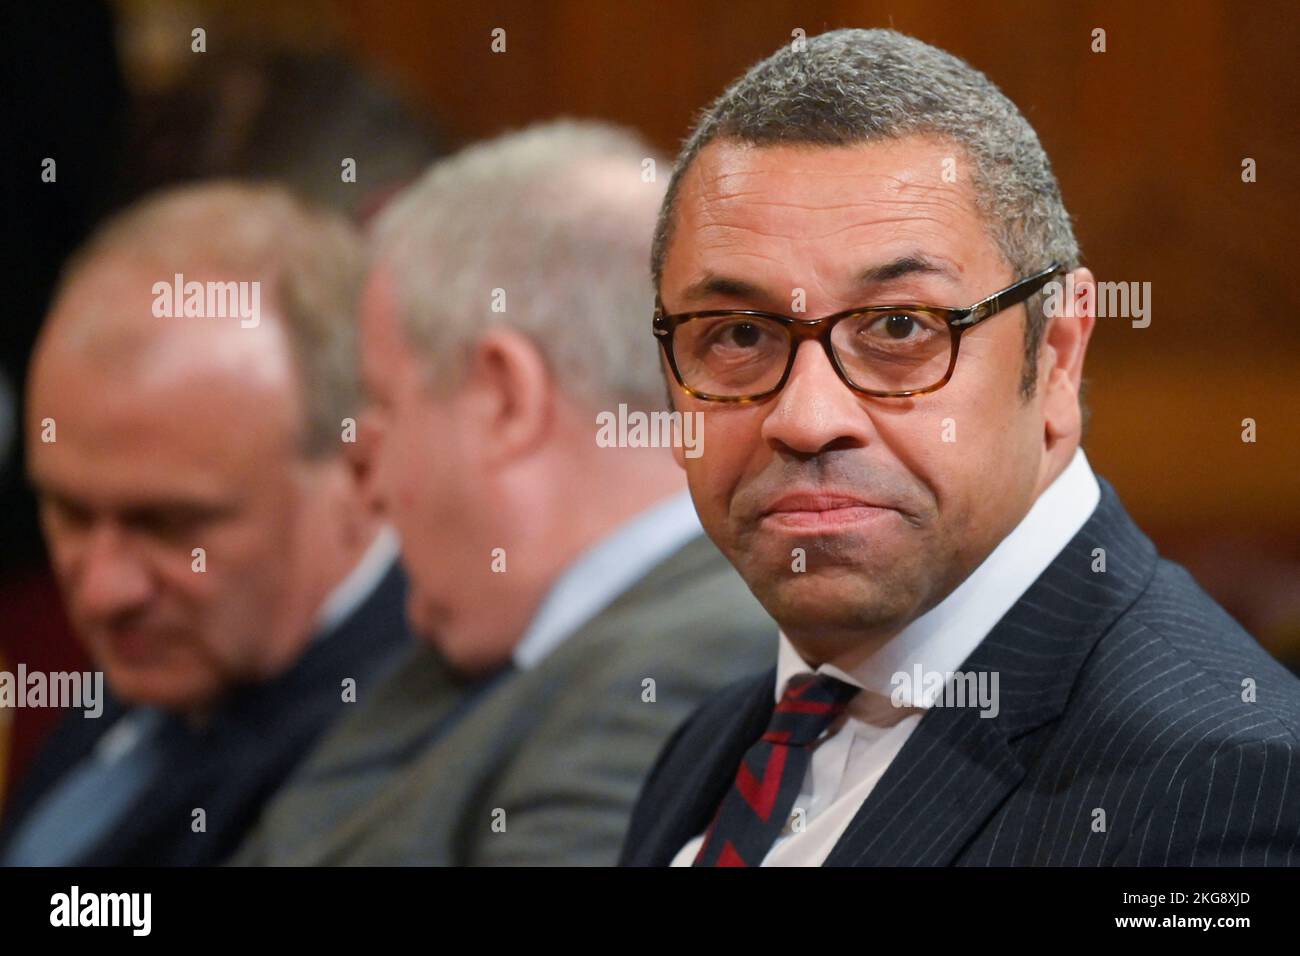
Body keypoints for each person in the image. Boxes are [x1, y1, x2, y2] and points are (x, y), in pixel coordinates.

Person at [620, 28, 1300, 867]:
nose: (804, 417)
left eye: (901, 326)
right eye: (738, 333)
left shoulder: (1226, 787)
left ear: (1056, 353)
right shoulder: (713, 745)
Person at [231, 120, 776, 866]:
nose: (370, 483)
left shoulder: (695, 662)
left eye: (384, 407)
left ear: (504, 398)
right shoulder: (491, 636)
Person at [0, 183, 413, 866]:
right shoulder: (185, 655)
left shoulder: (399, 767)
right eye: (69, 512)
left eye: (168, 526)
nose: (104, 591)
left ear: (362, 472)